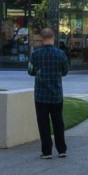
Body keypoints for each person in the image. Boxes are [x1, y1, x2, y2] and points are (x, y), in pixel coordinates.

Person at [27, 27, 70, 159]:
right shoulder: (61, 54)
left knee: (43, 123)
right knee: (58, 121)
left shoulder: (35, 55)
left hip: (41, 95)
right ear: (53, 38)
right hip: (56, 94)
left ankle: (47, 151)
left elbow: (30, 71)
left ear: (41, 39)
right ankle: (61, 149)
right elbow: (65, 71)